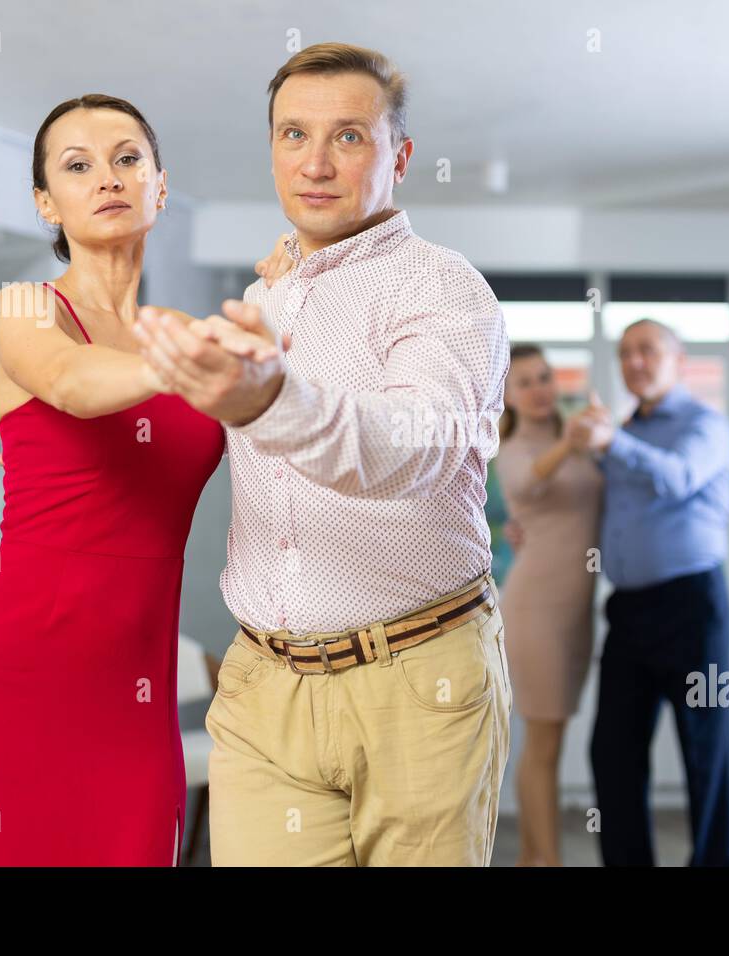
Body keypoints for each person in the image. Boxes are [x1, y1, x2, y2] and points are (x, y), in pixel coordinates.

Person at [135, 43, 512, 866]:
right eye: (292, 135)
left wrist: (269, 400)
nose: (314, 161)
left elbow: (412, 445)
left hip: (416, 681)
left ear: (399, 157)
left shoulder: (443, 289)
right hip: (262, 687)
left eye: (348, 136)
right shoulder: (267, 295)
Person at [0, 95, 243, 865]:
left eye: (129, 159)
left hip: (133, 691)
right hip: (9, 675)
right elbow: (69, 381)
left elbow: (284, 440)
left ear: (161, 184)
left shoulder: (189, 338)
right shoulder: (29, 310)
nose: (108, 178)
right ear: (44, 201)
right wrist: (195, 362)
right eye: (77, 165)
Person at [567, 319, 729, 867]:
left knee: (704, 752)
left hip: (691, 605)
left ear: (678, 359)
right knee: (612, 751)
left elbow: (680, 477)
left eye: (648, 350)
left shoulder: (705, 424)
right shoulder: (620, 432)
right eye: (625, 353)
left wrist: (612, 441)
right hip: (630, 611)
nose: (634, 361)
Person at [494, 344, 603, 866]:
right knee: (542, 739)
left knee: (552, 739)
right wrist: (570, 445)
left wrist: (585, 439)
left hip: (577, 611)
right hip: (536, 610)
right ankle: (547, 861)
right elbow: (524, 480)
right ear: (509, 395)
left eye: (544, 378)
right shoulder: (513, 444)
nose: (538, 390)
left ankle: (533, 860)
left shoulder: (580, 438)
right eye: (525, 383)